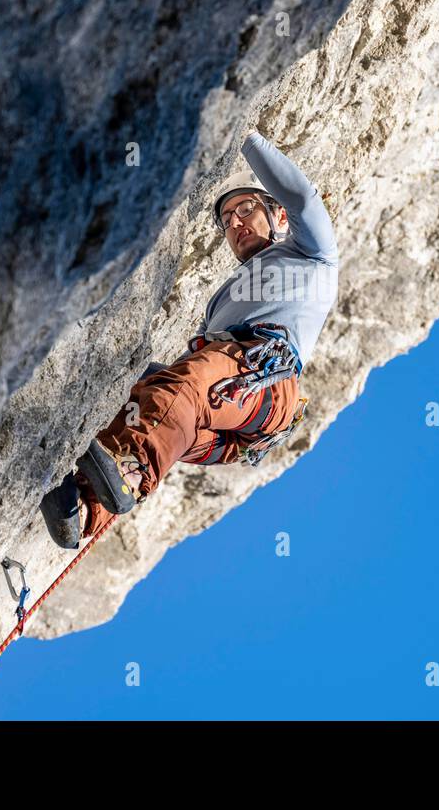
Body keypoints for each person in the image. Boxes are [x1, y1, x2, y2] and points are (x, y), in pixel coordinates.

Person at [42, 129, 340, 548]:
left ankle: (131, 469)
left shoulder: (313, 254)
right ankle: (89, 509)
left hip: (263, 379)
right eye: (226, 221)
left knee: (183, 389)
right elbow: (180, 379)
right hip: (230, 423)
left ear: (280, 219)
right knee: (147, 391)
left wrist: (245, 135)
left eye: (246, 209)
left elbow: (303, 198)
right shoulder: (223, 300)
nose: (234, 223)